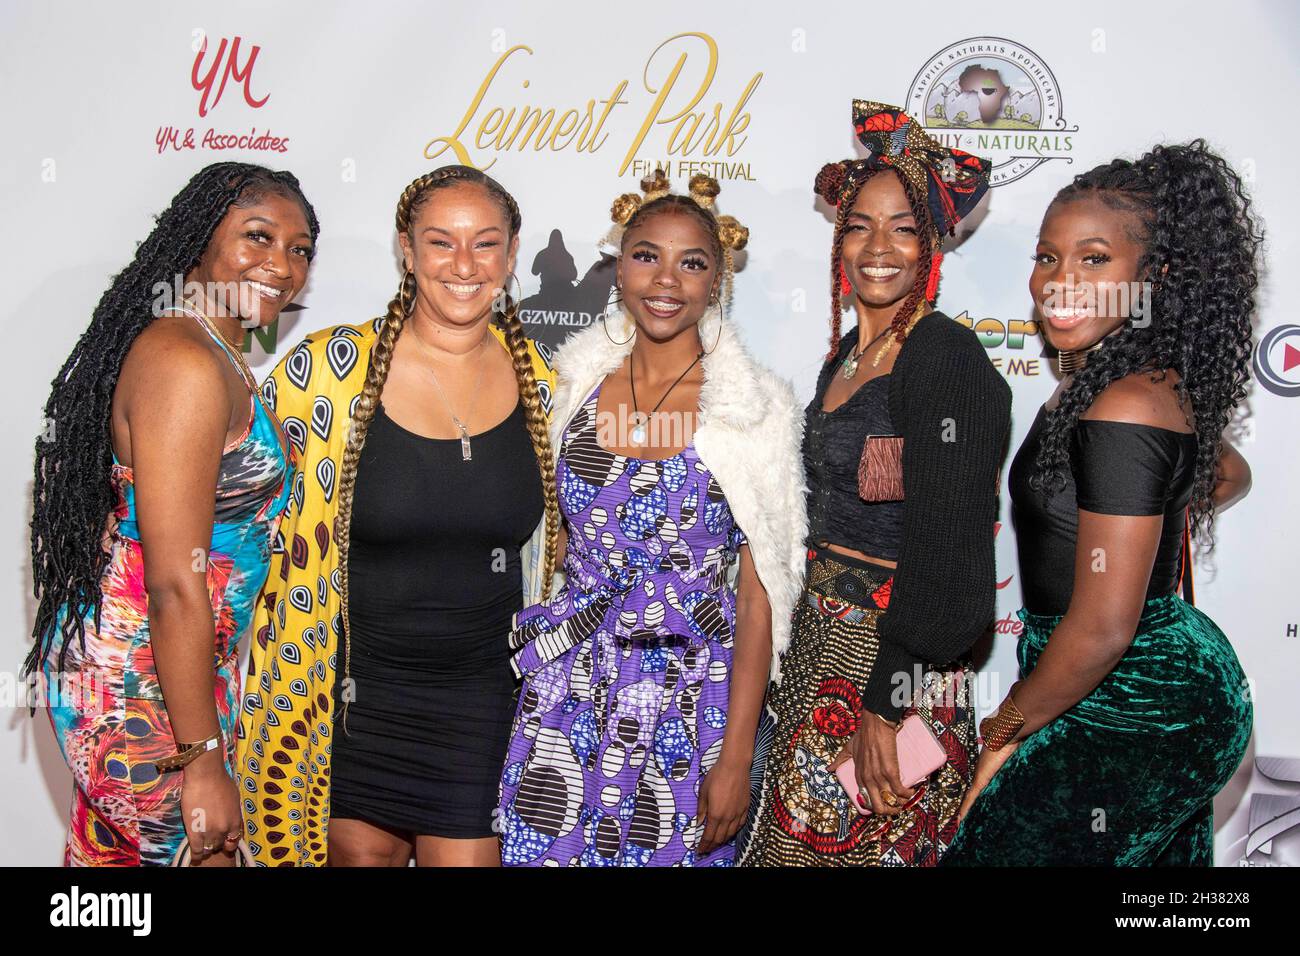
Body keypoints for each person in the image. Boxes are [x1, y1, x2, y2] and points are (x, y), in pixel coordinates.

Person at [944, 141, 1259, 865]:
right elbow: (1224, 471)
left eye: (1094, 260)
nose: (1060, 281)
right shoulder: (1121, 382)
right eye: (1047, 257)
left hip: (1136, 699)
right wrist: (1152, 507)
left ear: (1155, 278)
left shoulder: (1127, 403)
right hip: (1132, 681)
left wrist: (1001, 731)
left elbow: (1102, 628)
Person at [236, 165, 559, 867]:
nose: (464, 266)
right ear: (406, 251)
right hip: (344, 707)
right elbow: (231, 527)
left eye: (486, 244)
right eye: (441, 242)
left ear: (511, 253)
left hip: (484, 710)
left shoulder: (550, 386)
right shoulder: (323, 374)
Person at [497, 171, 807, 866]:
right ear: (618, 266)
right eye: (646, 256)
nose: (666, 280)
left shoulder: (755, 411)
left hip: (692, 694)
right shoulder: (569, 388)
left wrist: (734, 760)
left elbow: (762, 598)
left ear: (717, 280)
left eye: (691, 263)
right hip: (571, 684)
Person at [741, 102, 1010, 867]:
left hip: (893, 678)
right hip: (821, 659)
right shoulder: (847, 361)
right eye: (859, 224)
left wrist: (888, 706)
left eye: (902, 226)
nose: (877, 246)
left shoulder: (944, 357)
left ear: (931, 242)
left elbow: (955, 568)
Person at [27, 163, 317, 866]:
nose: (280, 266)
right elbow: (174, 582)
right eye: (258, 237)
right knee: (201, 851)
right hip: (141, 681)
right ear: (198, 241)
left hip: (173, 672)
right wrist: (201, 761)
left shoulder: (216, 351)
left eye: (301, 249)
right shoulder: (184, 365)